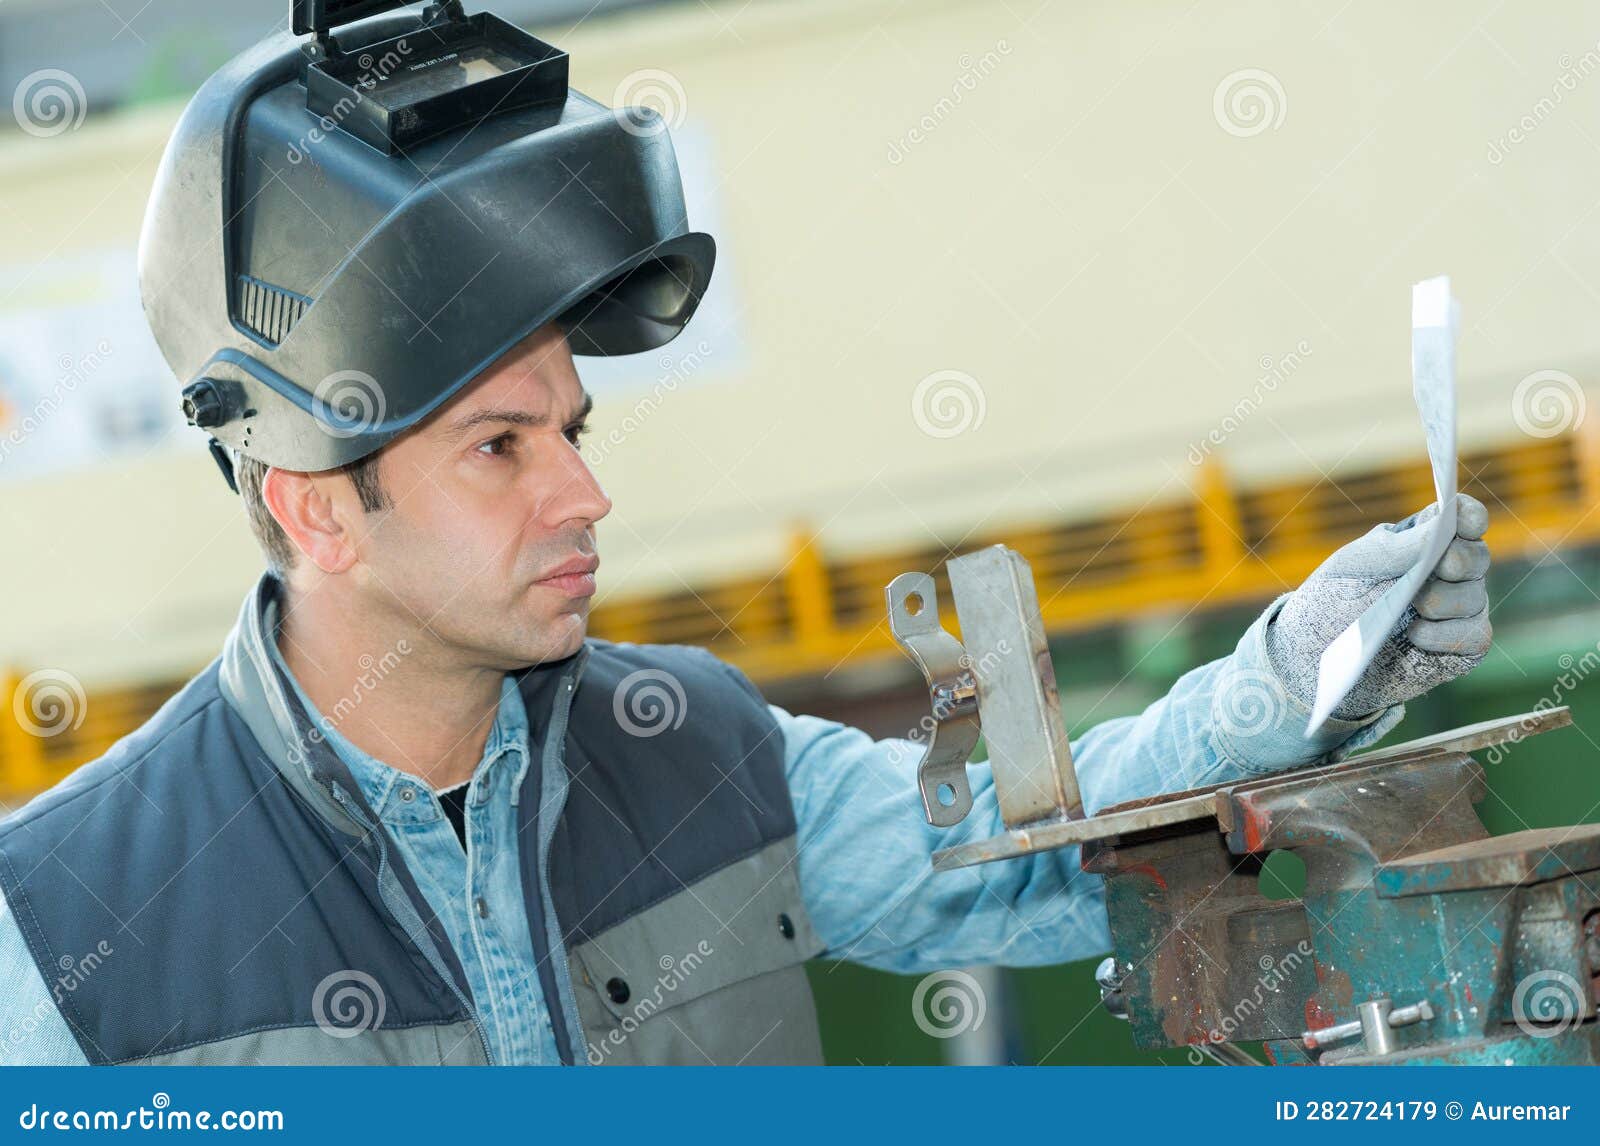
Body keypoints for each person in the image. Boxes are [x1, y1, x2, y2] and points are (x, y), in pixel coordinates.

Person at [0, 7, 1491, 1065]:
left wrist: (1303, 668)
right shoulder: (63, 928)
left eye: (570, 433)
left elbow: (1035, 856)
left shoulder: (701, 755)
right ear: (312, 505)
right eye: (497, 449)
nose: (581, 494)